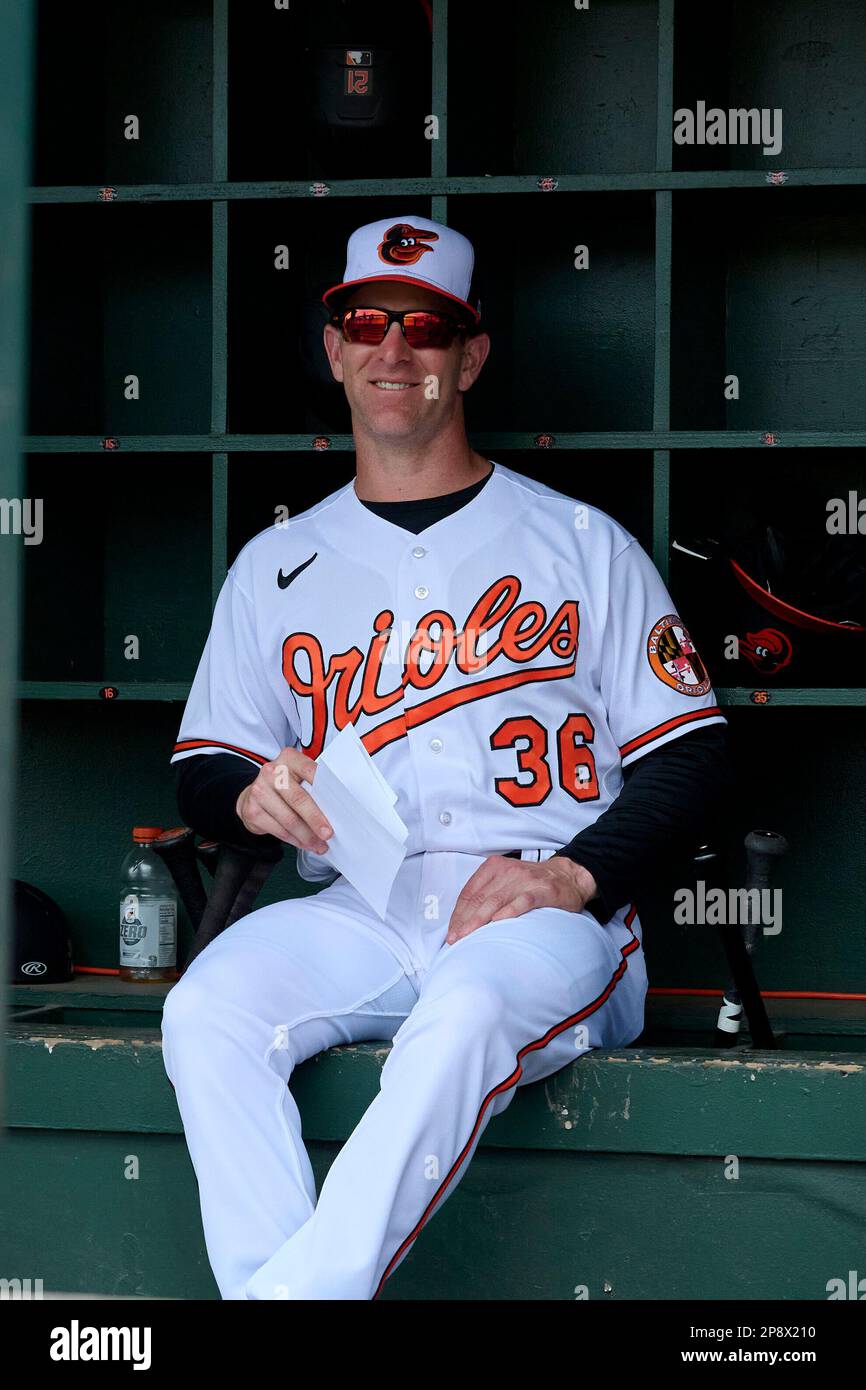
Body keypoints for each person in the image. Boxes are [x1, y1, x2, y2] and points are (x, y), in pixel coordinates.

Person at [161, 215, 733, 1300]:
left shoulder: (577, 544)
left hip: (542, 912)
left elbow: (693, 756)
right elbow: (204, 761)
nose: (393, 350)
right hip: (363, 904)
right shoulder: (277, 562)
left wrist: (571, 876)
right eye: (365, 322)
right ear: (332, 349)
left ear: (469, 356)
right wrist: (251, 794)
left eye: (427, 329)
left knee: (461, 1013)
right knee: (206, 1009)